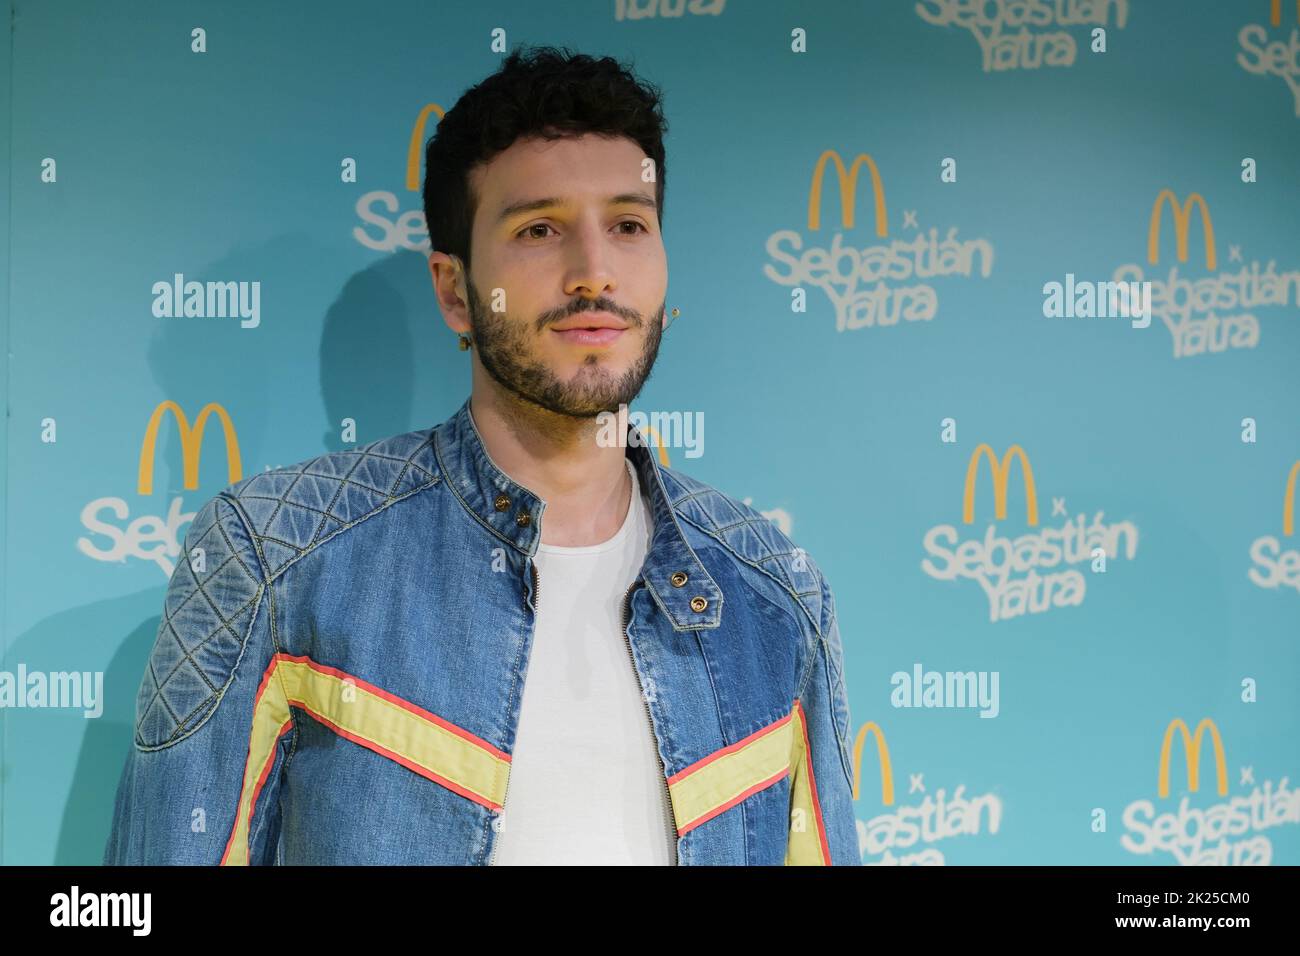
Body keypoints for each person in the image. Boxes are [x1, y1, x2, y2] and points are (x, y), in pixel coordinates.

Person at [104, 45, 859, 866]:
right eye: (540, 229)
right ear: (455, 289)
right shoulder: (277, 561)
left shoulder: (776, 598)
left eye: (629, 225)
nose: (593, 271)